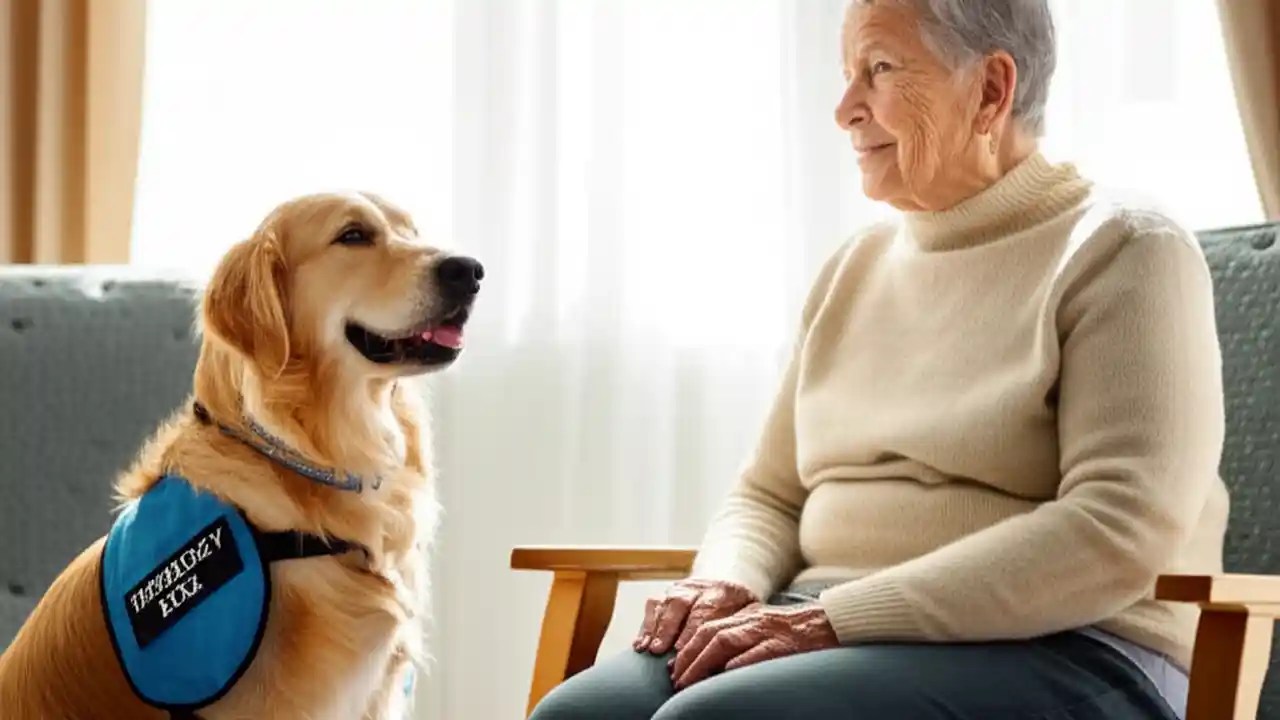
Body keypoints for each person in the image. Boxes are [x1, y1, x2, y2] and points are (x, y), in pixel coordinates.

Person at [529, 0, 1226, 717]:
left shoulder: (1128, 251)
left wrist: (835, 618)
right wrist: (728, 581)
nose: (844, 109)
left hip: (1067, 646)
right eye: (846, 74)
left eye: (880, 69)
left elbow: (1116, 530)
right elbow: (768, 494)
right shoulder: (855, 266)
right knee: (577, 716)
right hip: (825, 627)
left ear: (990, 89)